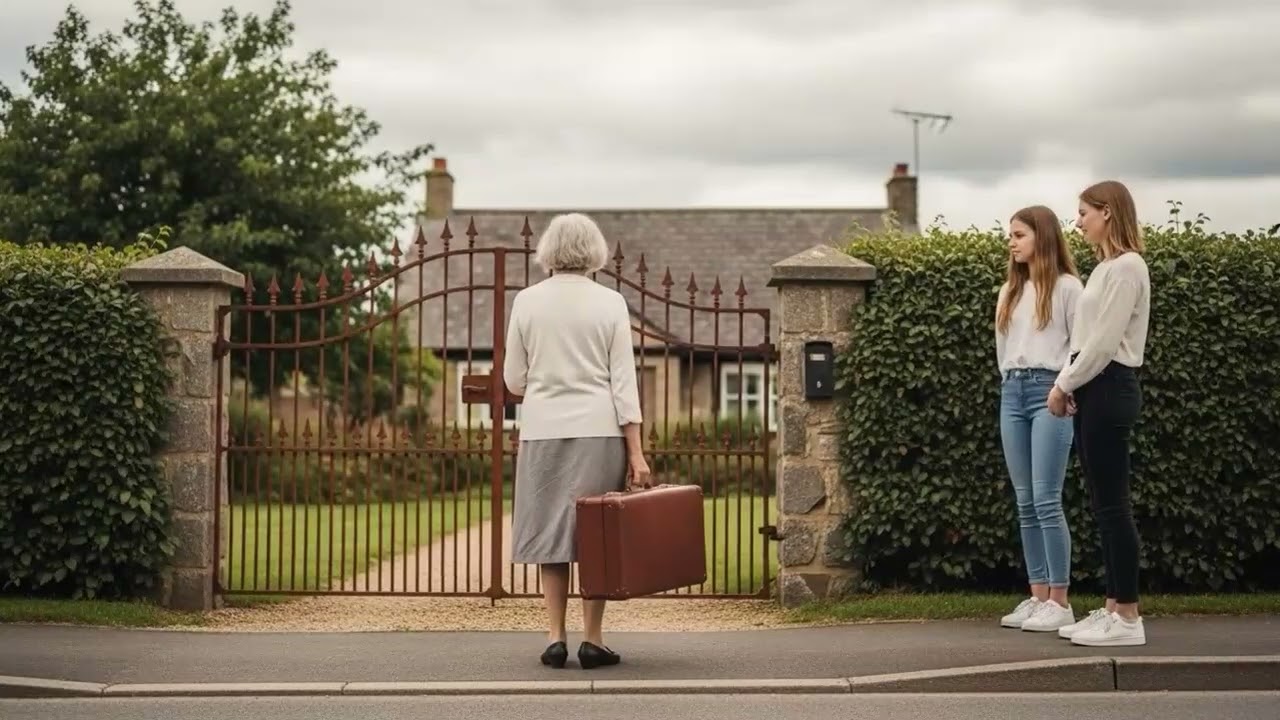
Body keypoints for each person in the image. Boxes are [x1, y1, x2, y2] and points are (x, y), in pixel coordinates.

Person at [502, 212, 651, 669]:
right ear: (595, 251)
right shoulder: (611, 304)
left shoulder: (527, 302)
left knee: (552, 534)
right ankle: (593, 639)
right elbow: (624, 385)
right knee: (595, 535)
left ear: (549, 249)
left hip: (543, 428)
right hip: (600, 429)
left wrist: (547, 384)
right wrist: (637, 454)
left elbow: (513, 380)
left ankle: (553, 637)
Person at [1048, 180, 1151, 647]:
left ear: (1107, 212)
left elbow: (1106, 345)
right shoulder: (1107, 269)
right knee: (1102, 504)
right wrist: (1071, 381)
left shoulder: (1128, 267)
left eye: (1084, 212)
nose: (1078, 221)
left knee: (1113, 506)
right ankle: (1113, 607)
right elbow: (1086, 342)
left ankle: (1128, 617)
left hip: (1111, 386)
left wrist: (1063, 384)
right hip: (1095, 388)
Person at [995, 206, 1084, 634]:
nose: (1011, 242)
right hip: (1012, 390)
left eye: (1018, 234)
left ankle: (1060, 602)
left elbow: (1079, 347)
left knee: (1047, 500)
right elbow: (1003, 349)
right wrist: (1010, 383)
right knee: (1025, 500)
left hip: (1051, 391)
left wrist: (1063, 388)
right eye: (1009, 235)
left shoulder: (1069, 288)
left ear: (1041, 237)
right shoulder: (1009, 292)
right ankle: (1037, 596)